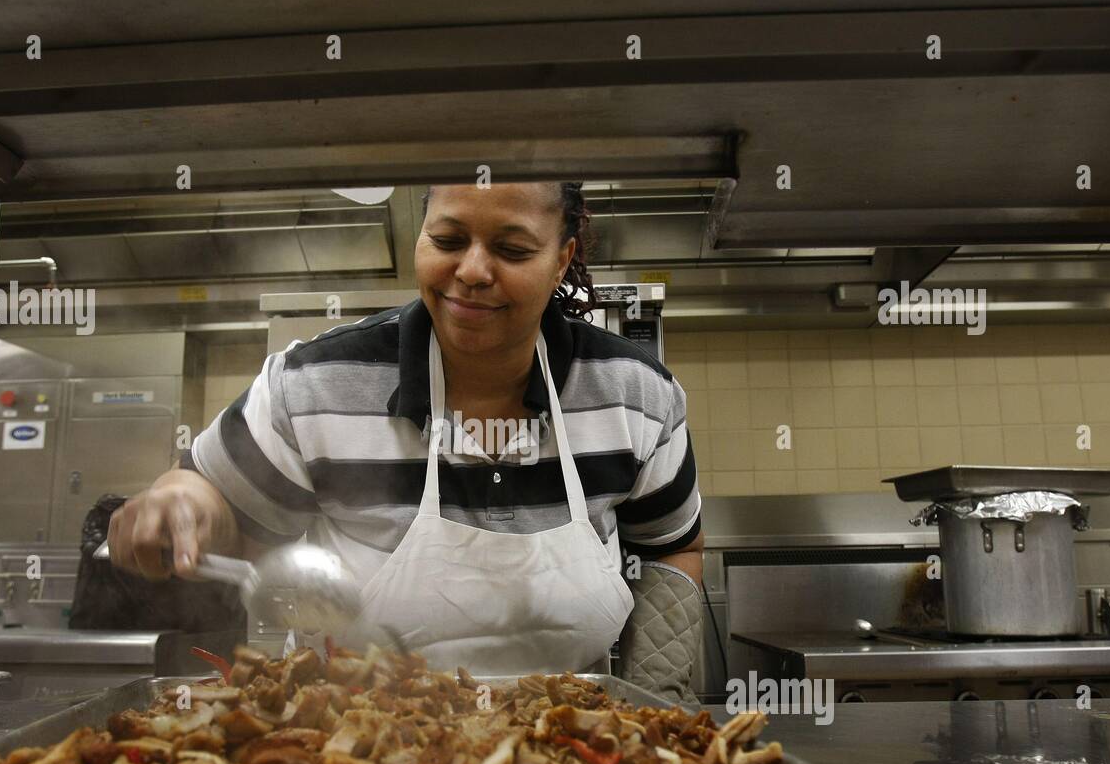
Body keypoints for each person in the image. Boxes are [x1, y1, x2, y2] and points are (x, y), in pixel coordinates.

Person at [107, 181, 703, 690]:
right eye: (446, 241)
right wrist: (182, 503)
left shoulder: (635, 394)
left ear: (561, 257)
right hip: (353, 753)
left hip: (574, 757)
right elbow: (215, 498)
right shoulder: (316, 383)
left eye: (512, 249)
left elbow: (671, 547)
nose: (470, 272)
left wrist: (659, 700)